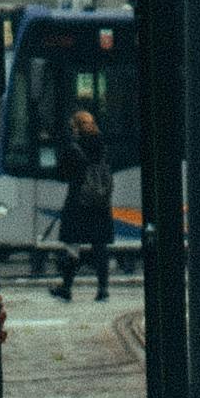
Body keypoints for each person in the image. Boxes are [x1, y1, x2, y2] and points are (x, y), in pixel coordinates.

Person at [49, 107, 114, 303]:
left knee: (72, 246)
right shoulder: (102, 146)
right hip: (100, 203)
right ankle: (103, 289)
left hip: (78, 202)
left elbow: (61, 174)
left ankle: (66, 287)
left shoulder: (73, 148)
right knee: (100, 247)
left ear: (76, 127)